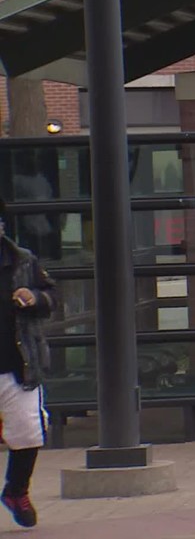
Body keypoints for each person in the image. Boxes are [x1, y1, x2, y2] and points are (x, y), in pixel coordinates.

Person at [0, 196, 58, 528]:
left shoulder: (23, 261)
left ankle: (16, 490)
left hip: (17, 364)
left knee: (29, 433)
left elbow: (53, 297)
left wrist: (35, 298)